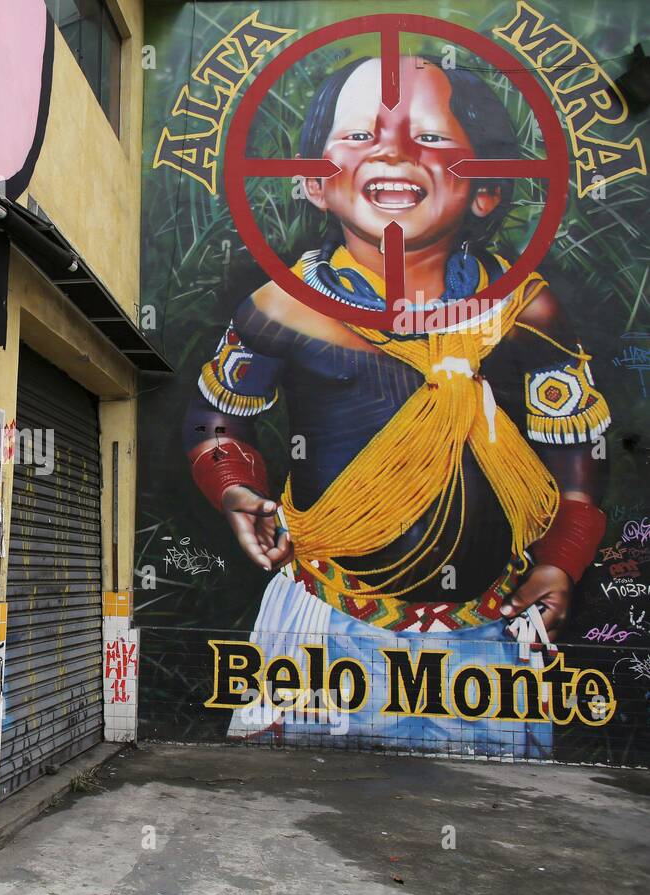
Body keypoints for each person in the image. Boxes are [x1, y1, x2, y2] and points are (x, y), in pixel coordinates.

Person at [184, 55, 611, 756]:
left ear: (484, 191)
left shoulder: (525, 312)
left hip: (489, 637)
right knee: (297, 823)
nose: (391, 151)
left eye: (432, 138)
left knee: (491, 831)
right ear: (314, 182)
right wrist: (236, 488)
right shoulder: (283, 309)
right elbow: (216, 417)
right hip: (324, 628)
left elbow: (579, 460)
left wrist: (559, 563)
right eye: (358, 135)